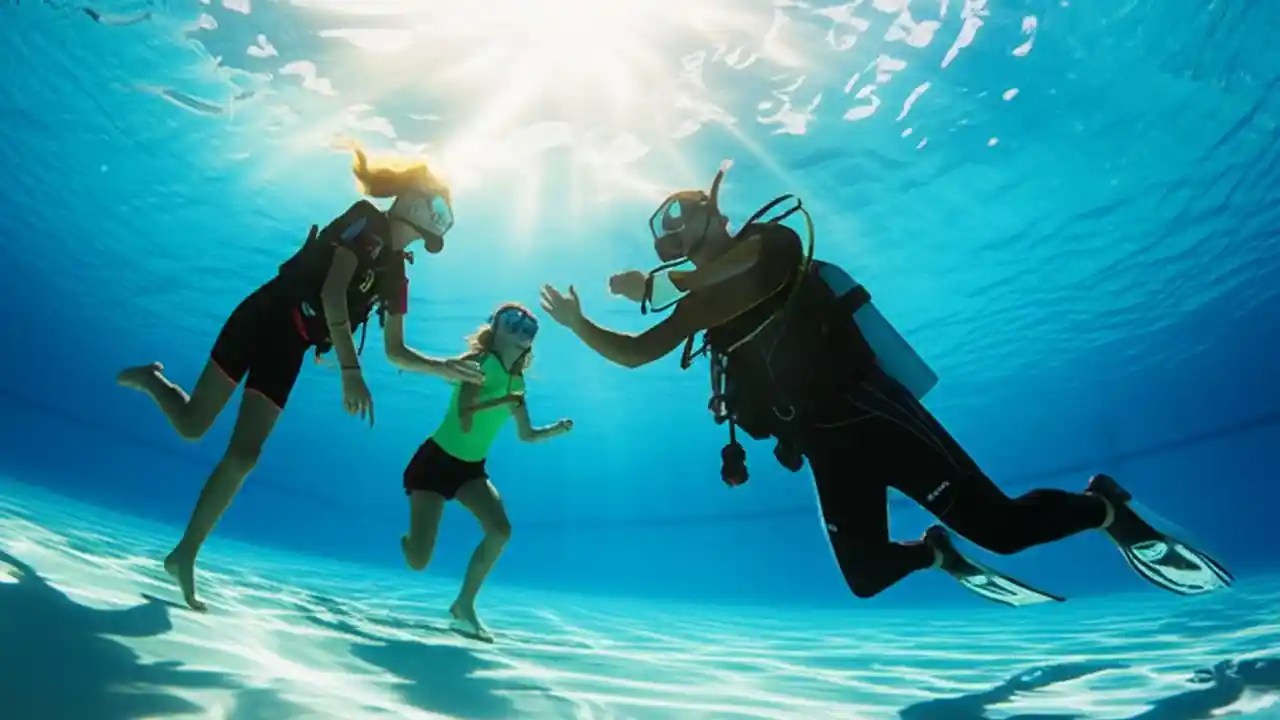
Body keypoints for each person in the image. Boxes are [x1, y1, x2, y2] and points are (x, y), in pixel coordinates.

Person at [539, 165, 1233, 606]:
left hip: (873, 413)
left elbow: (740, 268)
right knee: (866, 577)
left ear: (715, 213)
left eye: (678, 213)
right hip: (822, 445)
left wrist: (656, 286)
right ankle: (934, 554)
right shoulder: (697, 306)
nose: (669, 228)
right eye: (662, 226)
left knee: (1004, 531)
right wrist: (577, 324)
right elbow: (635, 354)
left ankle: (1105, 508)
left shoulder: (774, 244)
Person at [116, 144, 486, 611]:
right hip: (264, 316)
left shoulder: (397, 276)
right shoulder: (364, 219)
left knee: (244, 456)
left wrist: (441, 367)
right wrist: (350, 371)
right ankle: (153, 379)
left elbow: (396, 350)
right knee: (193, 425)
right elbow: (332, 294)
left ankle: (184, 554)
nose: (439, 221)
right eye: (438, 208)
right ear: (411, 199)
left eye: (446, 218)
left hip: (291, 346)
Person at [400, 302, 573, 641]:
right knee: (418, 560)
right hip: (434, 463)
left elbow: (527, 435)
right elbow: (465, 418)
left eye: (528, 325)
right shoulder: (479, 364)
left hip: (470, 470)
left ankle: (464, 605)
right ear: (494, 328)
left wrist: (554, 430)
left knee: (500, 531)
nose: (521, 327)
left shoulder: (518, 384)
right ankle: (408, 541)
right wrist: (506, 401)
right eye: (512, 320)